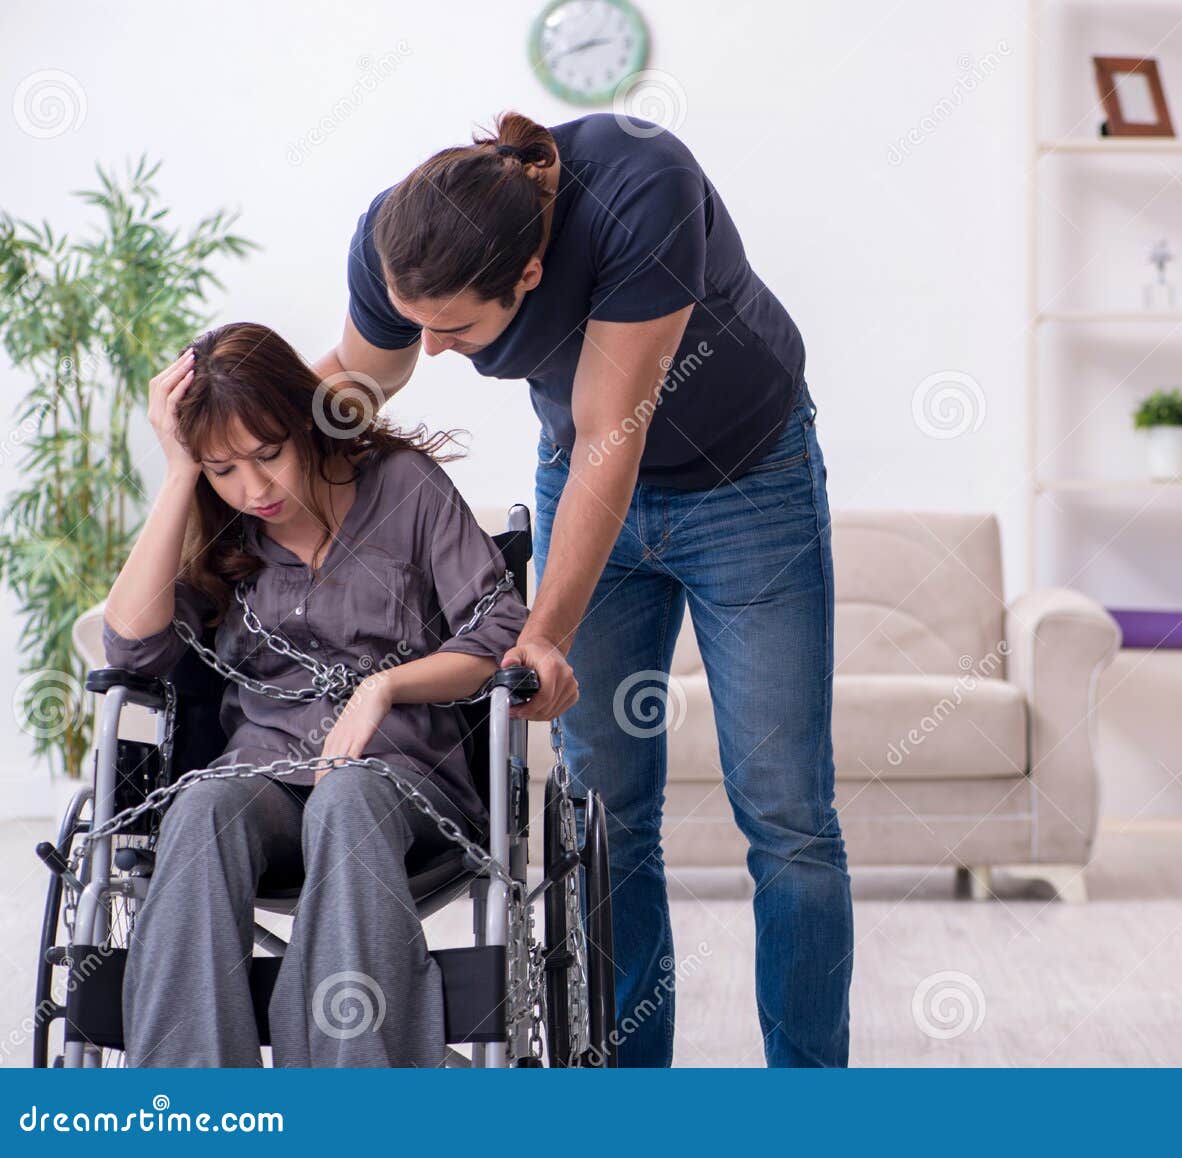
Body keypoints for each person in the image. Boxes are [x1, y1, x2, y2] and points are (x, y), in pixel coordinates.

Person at [313, 109, 852, 1066]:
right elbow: (363, 380)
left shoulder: (642, 187)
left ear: (527, 273)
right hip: (584, 471)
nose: (433, 349)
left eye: (454, 329)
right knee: (604, 812)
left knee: (786, 814)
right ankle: (626, 1093)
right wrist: (236, 427)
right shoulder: (400, 232)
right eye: (420, 323)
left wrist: (543, 631)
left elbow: (615, 428)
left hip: (749, 482)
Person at [101, 322, 527, 1066]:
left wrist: (384, 688)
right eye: (222, 467)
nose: (253, 488)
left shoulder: (404, 488)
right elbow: (132, 648)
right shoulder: (215, 521)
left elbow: (498, 634)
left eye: (268, 455)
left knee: (348, 798)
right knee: (200, 803)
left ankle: (352, 1110)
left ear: (304, 421)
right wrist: (178, 474)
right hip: (264, 781)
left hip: (402, 785)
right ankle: (190, 1111)